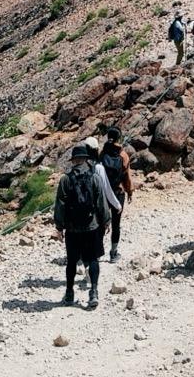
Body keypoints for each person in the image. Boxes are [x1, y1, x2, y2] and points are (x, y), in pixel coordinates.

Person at [53, 144, 120, 308]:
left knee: (71, 261)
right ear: (86, 159)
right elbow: (101, 202)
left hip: (72, 228)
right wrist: (106, 221)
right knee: (93, 259)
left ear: (74, 160)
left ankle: (69, 292)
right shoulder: (95, 177)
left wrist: (59, 227)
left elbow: (60, 204)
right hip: (92, 227)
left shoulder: (65, 179)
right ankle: (94, 292)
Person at [98, 126, 134, 261]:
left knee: (101, 222)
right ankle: (113, 253)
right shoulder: (123, 155)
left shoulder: (102, 154)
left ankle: (97, 251)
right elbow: (127, 176)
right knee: (116, 224)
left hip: (103, 193)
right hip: (118, 192)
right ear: (119, 138)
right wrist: (130, 191)